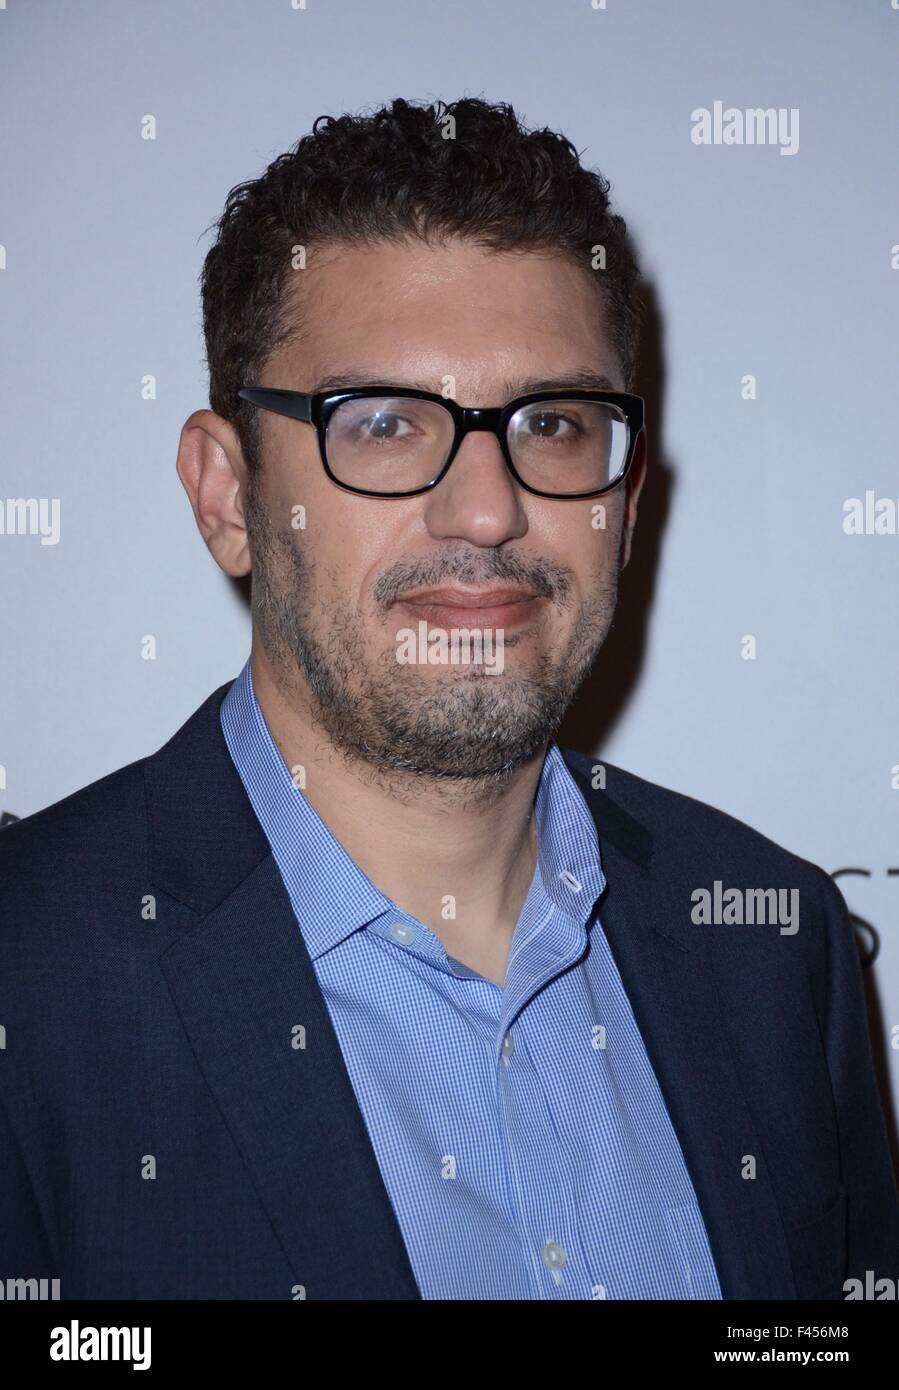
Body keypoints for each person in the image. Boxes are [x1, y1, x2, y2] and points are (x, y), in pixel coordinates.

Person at [2, 96, 896, 1301]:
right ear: (226, 496)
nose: (485, 510)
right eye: (378, 423)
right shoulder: (32, 973)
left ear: (624, 508)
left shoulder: (772, 946)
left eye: (553, 422)